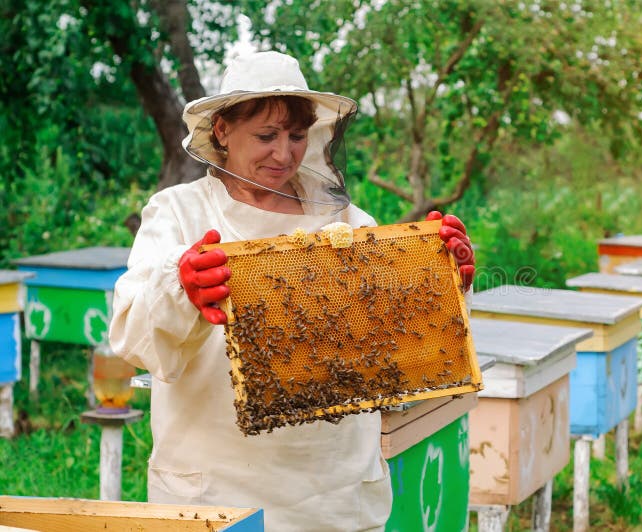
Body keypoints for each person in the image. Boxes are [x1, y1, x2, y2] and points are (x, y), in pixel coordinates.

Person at [109, 51, 475, 531]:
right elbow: (133, 334)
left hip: (333, 492)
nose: (284, 154)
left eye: (296, 136)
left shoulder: (346, 220)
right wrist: (181, 287)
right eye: (266, 136)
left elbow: (401, 345)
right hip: (216, 492)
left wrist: (445, 281)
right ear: (222, 130)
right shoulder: (178, 213)